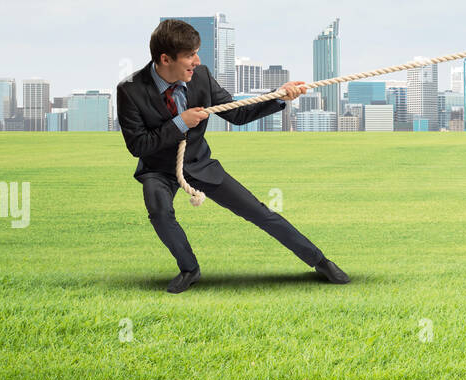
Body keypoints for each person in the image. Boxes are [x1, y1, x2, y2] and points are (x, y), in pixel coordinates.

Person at [116, 18, 350, 293]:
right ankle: (189, 269)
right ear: (166, 59)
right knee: (159, 210)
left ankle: (319, 261)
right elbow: (139, 146)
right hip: (159, 169)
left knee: (259, 212)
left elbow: (236, 112)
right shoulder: (129, 90)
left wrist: (277, 97)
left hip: (199, 163)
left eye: (196, 53)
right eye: (189, 55)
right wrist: (180, 123)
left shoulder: (200, 76)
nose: (196, 60)